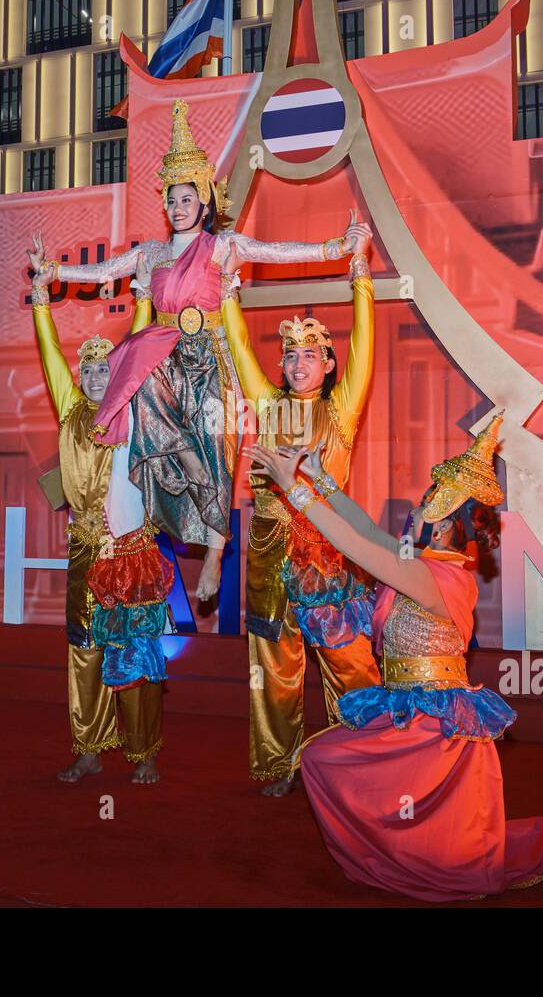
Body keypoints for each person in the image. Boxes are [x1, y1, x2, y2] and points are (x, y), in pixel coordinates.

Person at [26, 98, 369, 602]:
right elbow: (104, 272)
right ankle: (167, 481)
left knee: (219, 447)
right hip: (164, 354)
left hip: (211, 359)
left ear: (205, 201)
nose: (177, 207)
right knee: (137, 398)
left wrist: (338, 248)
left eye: (187, 199)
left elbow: (279, 253)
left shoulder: (224, 246)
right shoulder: (153, 253)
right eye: (171, 200)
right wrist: (54, 272)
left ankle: (214, 551)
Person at [248, 416, 543, 901]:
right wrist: (318, 476)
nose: (415, 509)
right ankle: (406, 854)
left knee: (438, 839)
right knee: (328, 762)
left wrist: (295, 492)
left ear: (447, 523)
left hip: (435, 726)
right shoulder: (420, 562)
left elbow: (356, 548)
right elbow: (365, 529)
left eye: (426, 503)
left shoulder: (440, 578)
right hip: (406, 708)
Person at [221, 216, 380, 796]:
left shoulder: (339, 412)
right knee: (273, 667)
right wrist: (228, 292)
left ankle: (361, 758)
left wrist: (358, 269)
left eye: (310, 355)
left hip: (324, 553)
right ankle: (279, 764)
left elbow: (364, 345)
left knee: (348, 664)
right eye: (289, 355)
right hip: (267, 552)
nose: (296, 364)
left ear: (330, 365)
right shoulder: (266, 406)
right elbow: (239, 351)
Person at [27, 266, 175, 785]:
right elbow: (50, 359)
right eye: (86, 370)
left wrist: (142, 300)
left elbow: (136, 347)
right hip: (86, 552)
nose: (94, 377)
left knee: (136, 657)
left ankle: (144, 752)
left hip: (131, 551)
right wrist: (41, 301)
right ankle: (89, 748)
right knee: (84, 651)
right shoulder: (70, 412)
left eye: (103, 370)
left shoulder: (128, 412)